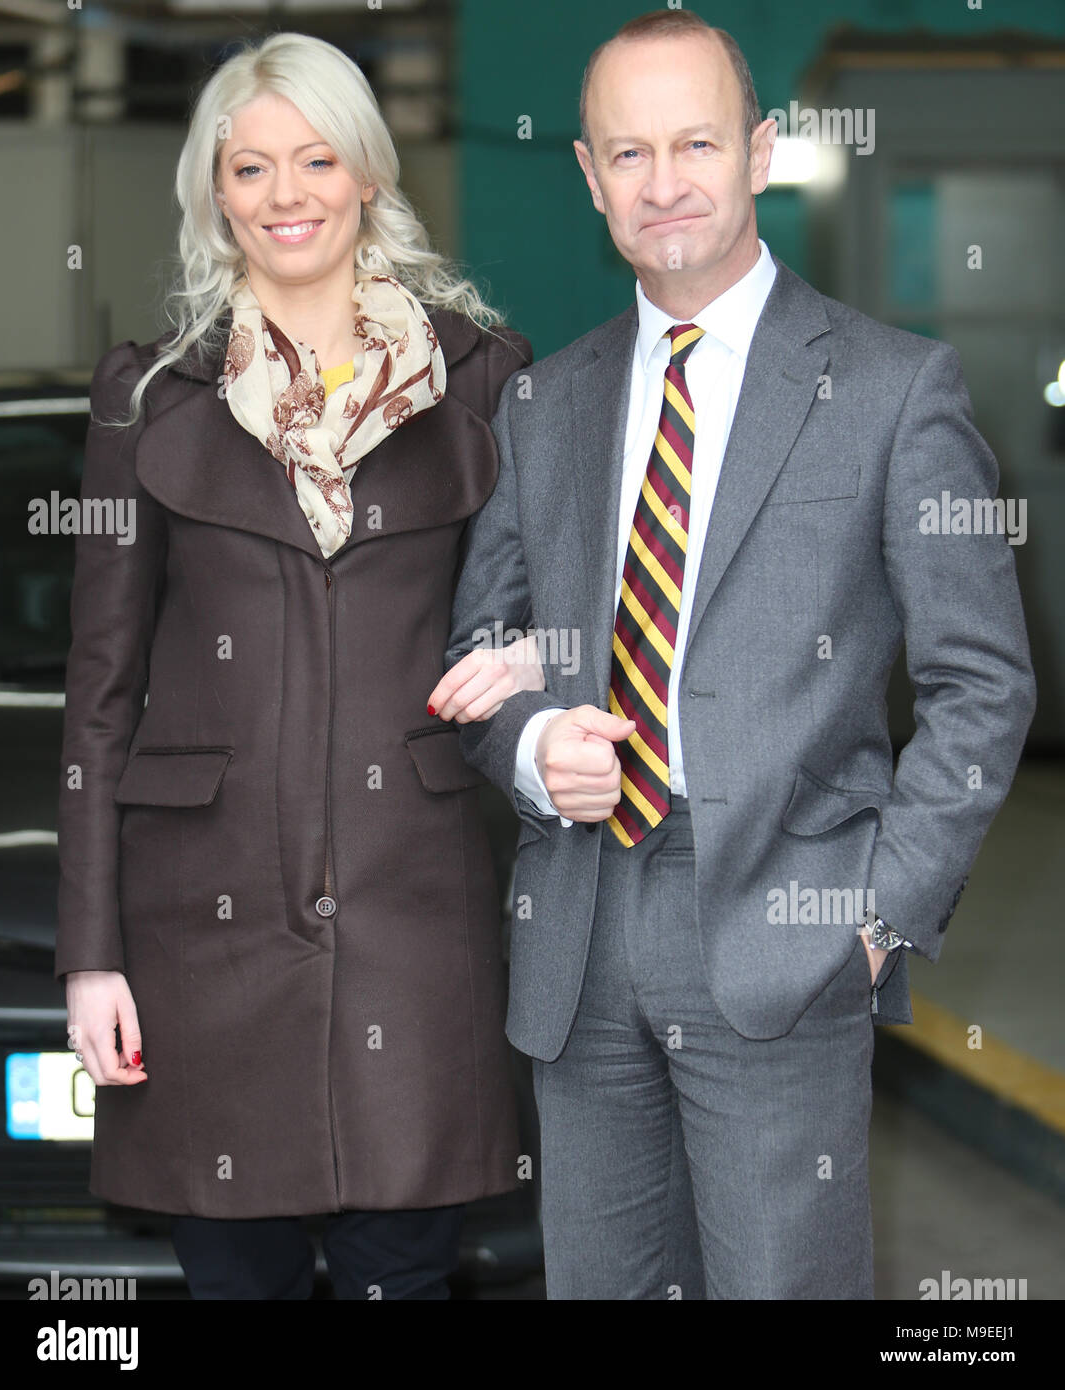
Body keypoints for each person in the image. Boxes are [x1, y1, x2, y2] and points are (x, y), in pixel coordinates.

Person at [432, 10, 1035, 1299]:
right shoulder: (543, 404)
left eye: (696, 142)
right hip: (578, 928)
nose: (663, 183)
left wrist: (876, 916)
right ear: (589, 178)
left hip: (788, 922)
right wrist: (536, 748)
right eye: (628, 153)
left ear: (760, 151)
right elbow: (486, 643)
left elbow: (981, 682)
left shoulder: (891, 389)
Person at [56, 32, 537, 1301]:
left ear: (367, 171)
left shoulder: (483, 377)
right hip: (201, 933)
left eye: (315, 158)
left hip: (416, 913)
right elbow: (100, 694)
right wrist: (91, 953)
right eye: (252, 167)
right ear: (215, 190)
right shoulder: (145, 398)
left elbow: (544, 609)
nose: (286, 195)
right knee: (236, 1279)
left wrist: (541, 653)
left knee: (405, 1273)